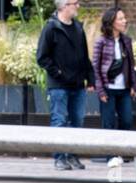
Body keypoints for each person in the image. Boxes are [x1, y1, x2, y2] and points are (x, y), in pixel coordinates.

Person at [36, 0, 93, 172]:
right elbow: (42, 57)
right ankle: (59, 158)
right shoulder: (51, 28)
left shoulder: (78, 28)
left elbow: (84, 56)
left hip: (77, 85)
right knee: (59, 120)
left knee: (77, 121)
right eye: (75, 3)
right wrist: (58, 73)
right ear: (64, 6)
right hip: (59, 85)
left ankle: (73, 155)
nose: (78, 6)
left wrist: (90, 79)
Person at [92, 6, 136, 135]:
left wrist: (134, 85)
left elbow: (130, 65)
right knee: (108, 123)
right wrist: (100, 90)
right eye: (121, 19)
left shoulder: (126, 41)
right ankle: (110, 155)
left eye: (124, 18)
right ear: (112, 22)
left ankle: (121, 152)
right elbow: (95, 68)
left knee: (127, 121)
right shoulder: (101, 42)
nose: (125, 21)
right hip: (108, 89)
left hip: (124, 90)